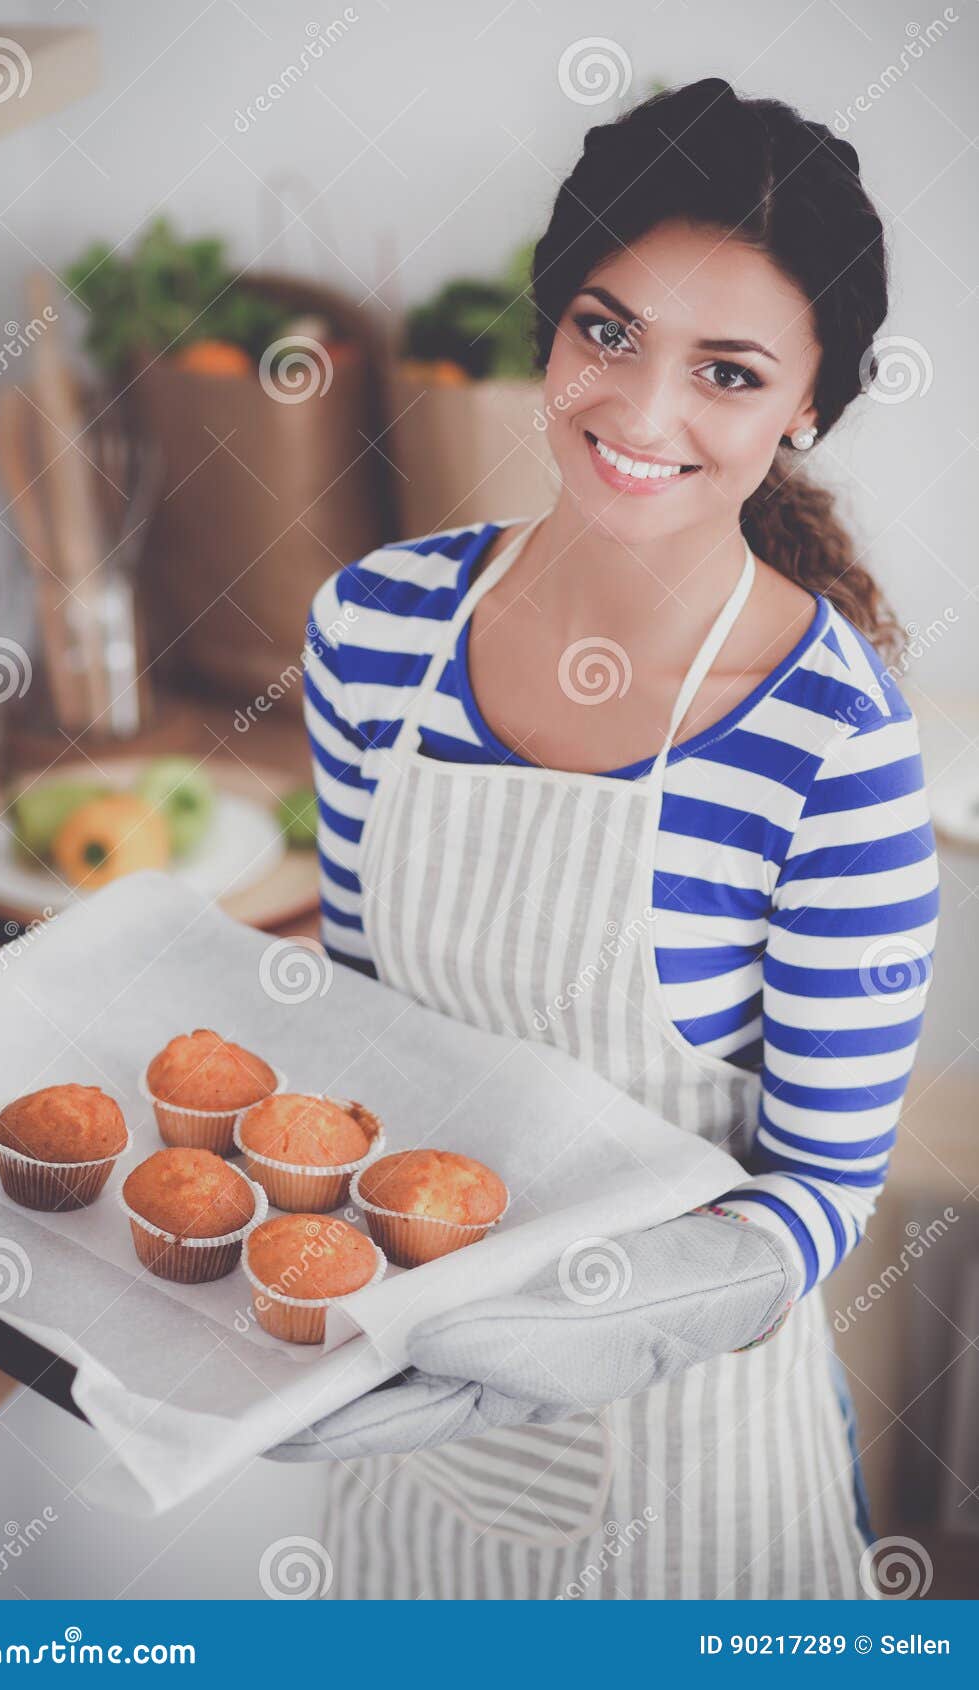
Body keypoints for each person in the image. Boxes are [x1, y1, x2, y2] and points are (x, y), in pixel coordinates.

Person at [275, 77, 939, 1600]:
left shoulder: (832, 751)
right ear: (549, 326)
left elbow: (818, 1195)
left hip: (696, 1488)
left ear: (809, 408)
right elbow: (373, 1046)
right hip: (408, 1456)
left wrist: (564, 1328)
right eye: (608, 329)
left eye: (728, 371)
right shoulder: (375, 633)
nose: (640, 414)